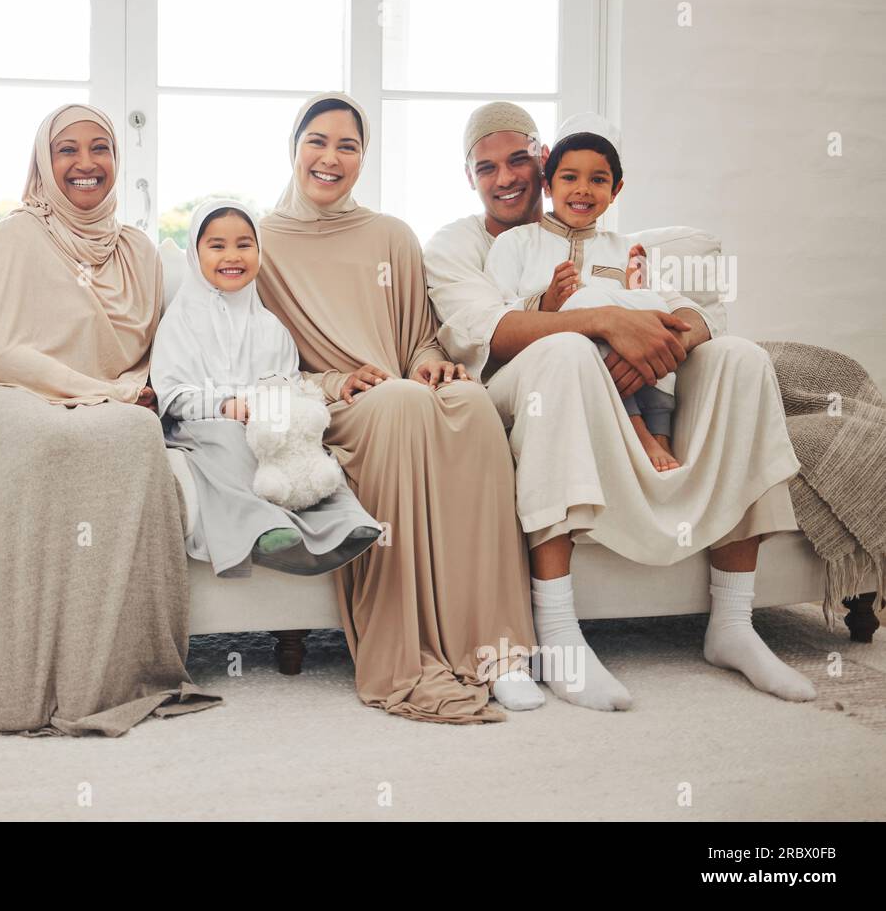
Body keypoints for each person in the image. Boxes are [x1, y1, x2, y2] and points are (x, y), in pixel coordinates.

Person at [424, 101, 813, 711]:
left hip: (618, 384)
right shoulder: (460, 243)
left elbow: (699, 313)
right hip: (510, 390)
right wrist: (604, 321)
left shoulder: (616, 244)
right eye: (486, 168)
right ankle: (557, 635)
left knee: (743, 359)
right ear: (469, 177)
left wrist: (656, 344)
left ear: (543, 162)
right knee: (567, 353)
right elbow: (488, 331)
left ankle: (734, 623)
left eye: (519, 159)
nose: (506, 178)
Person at [0, 104, 221, 736]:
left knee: (131, 434)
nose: (85, 164)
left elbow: (156, 351)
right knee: (50, 443)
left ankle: (111, 677)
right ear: (43, 162)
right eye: (67, 150)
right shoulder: (17, 237)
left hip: (104, 396)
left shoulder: (139, 251)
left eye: (100, 149)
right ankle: (22, 684)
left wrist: (133, 392)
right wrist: (95, 392)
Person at [256, 92, 543, 722]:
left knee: (470, 403)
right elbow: (261, 358)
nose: (331, 158)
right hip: (337, 402)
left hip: (402, 386)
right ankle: (411, 652)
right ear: (293, 150)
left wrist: (427, 362)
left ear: (363, 159)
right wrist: (336, 383)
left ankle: (503, 653)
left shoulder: (390, 234)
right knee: (402, 408)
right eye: (317, 142)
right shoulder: (261, 241)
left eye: (348, 146)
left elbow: (418, 336)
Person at [151, 197, 381, 577]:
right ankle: (262, 528)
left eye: (244, 244)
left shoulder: (269, 327)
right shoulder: (180, 323)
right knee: (232, 446)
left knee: (307, 450)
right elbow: (173, 396)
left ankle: (345, 522)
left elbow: (286, 383)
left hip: (265, 422)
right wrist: (226, 405)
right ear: (195, 253)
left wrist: (284, 411)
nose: (232, 255)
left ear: (259, 251)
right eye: (217, 245)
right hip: (204, 427)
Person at [485, 113, 680, 471]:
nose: (583, 190)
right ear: (548, 185)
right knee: (585, 302)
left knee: (652, 304)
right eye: (570, 177)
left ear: (616, 190)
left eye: (598, 180)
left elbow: (669, 316)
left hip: (629, 363)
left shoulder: (624, 248)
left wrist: (638, 288)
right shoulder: (516, 243)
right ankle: (639, 431)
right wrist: (547, 302)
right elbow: (495, 317)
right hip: (543, 365)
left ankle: (661, 433)